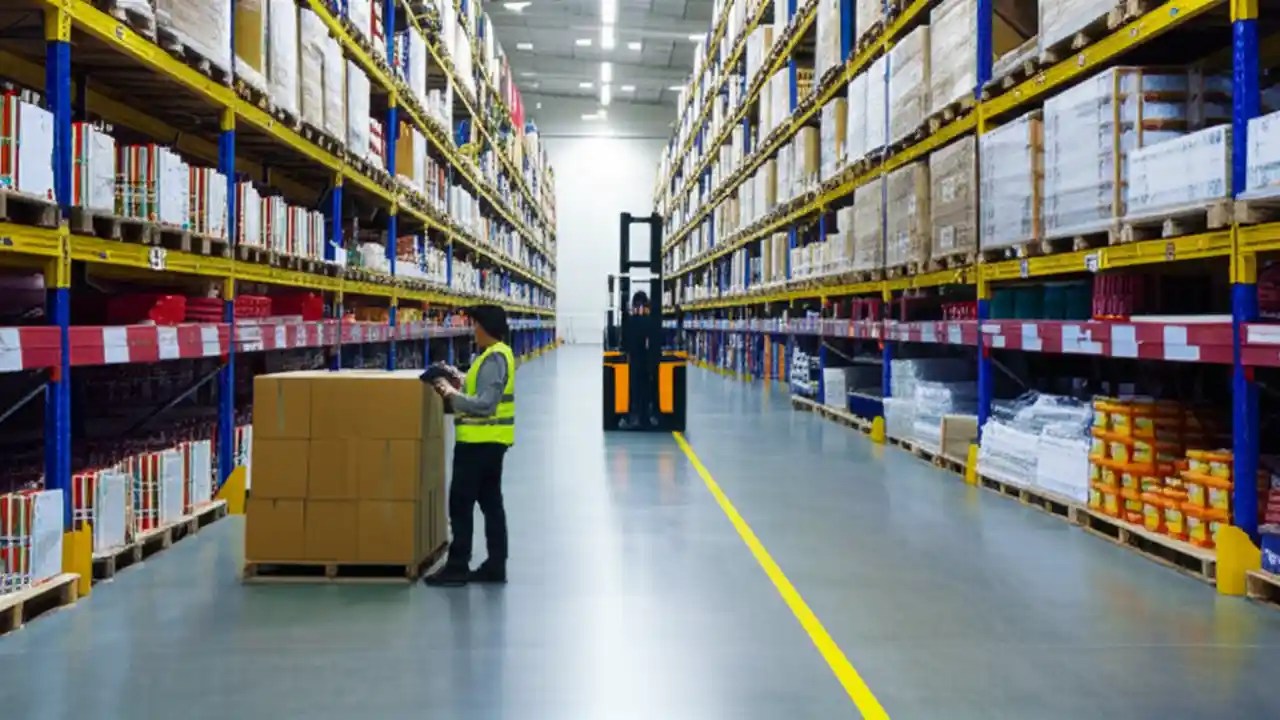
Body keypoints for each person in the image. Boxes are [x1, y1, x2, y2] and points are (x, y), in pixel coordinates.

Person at [423, 304, 516, 587]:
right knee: (490, 503)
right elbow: (481, 390)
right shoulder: (493, 355)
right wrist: (459, 380)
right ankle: (495, 565)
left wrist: (450, 393)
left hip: (479, 444)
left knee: (461, 505)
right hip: (489, 443)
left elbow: (486, 404)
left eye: (476, 324)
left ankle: (457, 566)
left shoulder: (495, 357)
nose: (473, 329)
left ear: (487, 328)